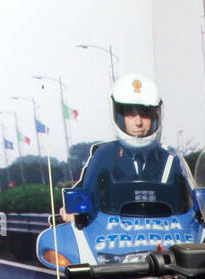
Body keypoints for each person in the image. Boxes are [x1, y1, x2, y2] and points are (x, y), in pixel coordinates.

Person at [60, 74, 190, 225]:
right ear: (119, 116)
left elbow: (190, 201)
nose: (138, 122)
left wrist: (203, 207)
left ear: (156, 115)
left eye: (145, 114)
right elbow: (84, 191)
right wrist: (71, 209)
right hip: (113, 239)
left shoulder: (170, 157)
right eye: (130, 114)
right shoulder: (103, 155)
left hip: (167, 237)